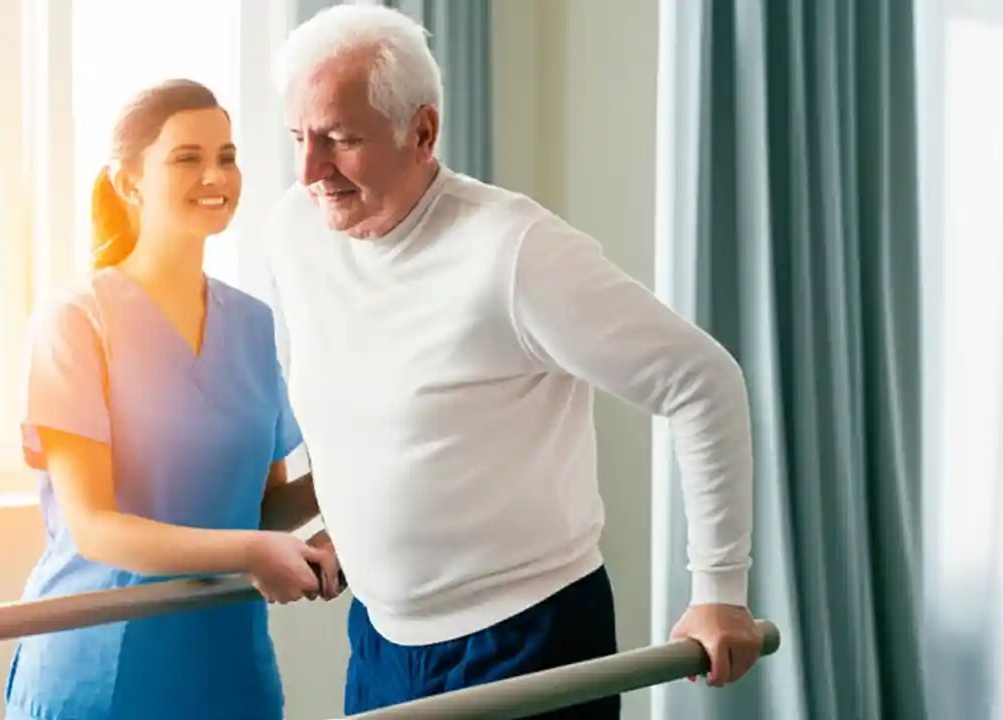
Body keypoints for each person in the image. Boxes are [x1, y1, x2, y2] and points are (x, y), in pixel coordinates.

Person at [263, 6, 764, 718]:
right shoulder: (292, 231)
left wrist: (720, 590)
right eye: (297, 137)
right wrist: (354, 518)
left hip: (528, 637)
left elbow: (702, 382)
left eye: (340, 140)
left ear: (423, 132)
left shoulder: (513, 252)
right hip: (380, 640)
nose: (311, 169)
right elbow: (350, 392)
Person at [3, 78, 341, 720]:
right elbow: (93, 528)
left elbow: (259, 507)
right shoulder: (76, 321)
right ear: (128, 183)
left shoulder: (253, 323)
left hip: (226, 662)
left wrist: (361, 485)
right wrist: (250, 552)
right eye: (187, 157)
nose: (216, 174)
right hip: (102, 659)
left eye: (228, 155)